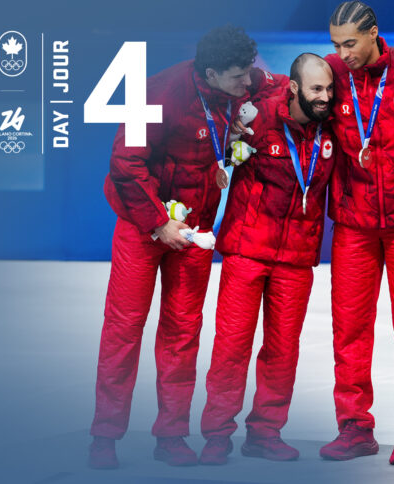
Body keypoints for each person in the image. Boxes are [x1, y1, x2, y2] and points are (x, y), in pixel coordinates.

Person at [89, 25, 285, 469]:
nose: (247, 84)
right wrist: (159, 223)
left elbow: (282, 83)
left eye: (249, 73)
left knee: (182, 332)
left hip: (195, 228)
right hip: (143, 226)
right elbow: (124, 163)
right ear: (211, 73)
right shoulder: (156, 94)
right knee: (124, 330)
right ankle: (104, 436)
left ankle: (172, 435)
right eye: (238, 77)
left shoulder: (242, 81)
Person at [198, 54, 336, 465]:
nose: (325, 97)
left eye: (329, 89)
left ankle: (265, 433)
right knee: (231, 347)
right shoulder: (257, 114)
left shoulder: (333, 127)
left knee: (282, 351)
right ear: (293, 88)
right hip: (247, 251)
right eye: (316, 89)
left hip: (296, 257)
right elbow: (223, 138)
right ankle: (217, 435)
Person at [320, 1, 394, 465]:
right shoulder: (331, 72)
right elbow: (283, 93)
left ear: (373, 33)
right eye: (336, 44)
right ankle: (354, 428)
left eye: (350, 43)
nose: (343, 53)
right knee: (349, 330)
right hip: (353, 224)